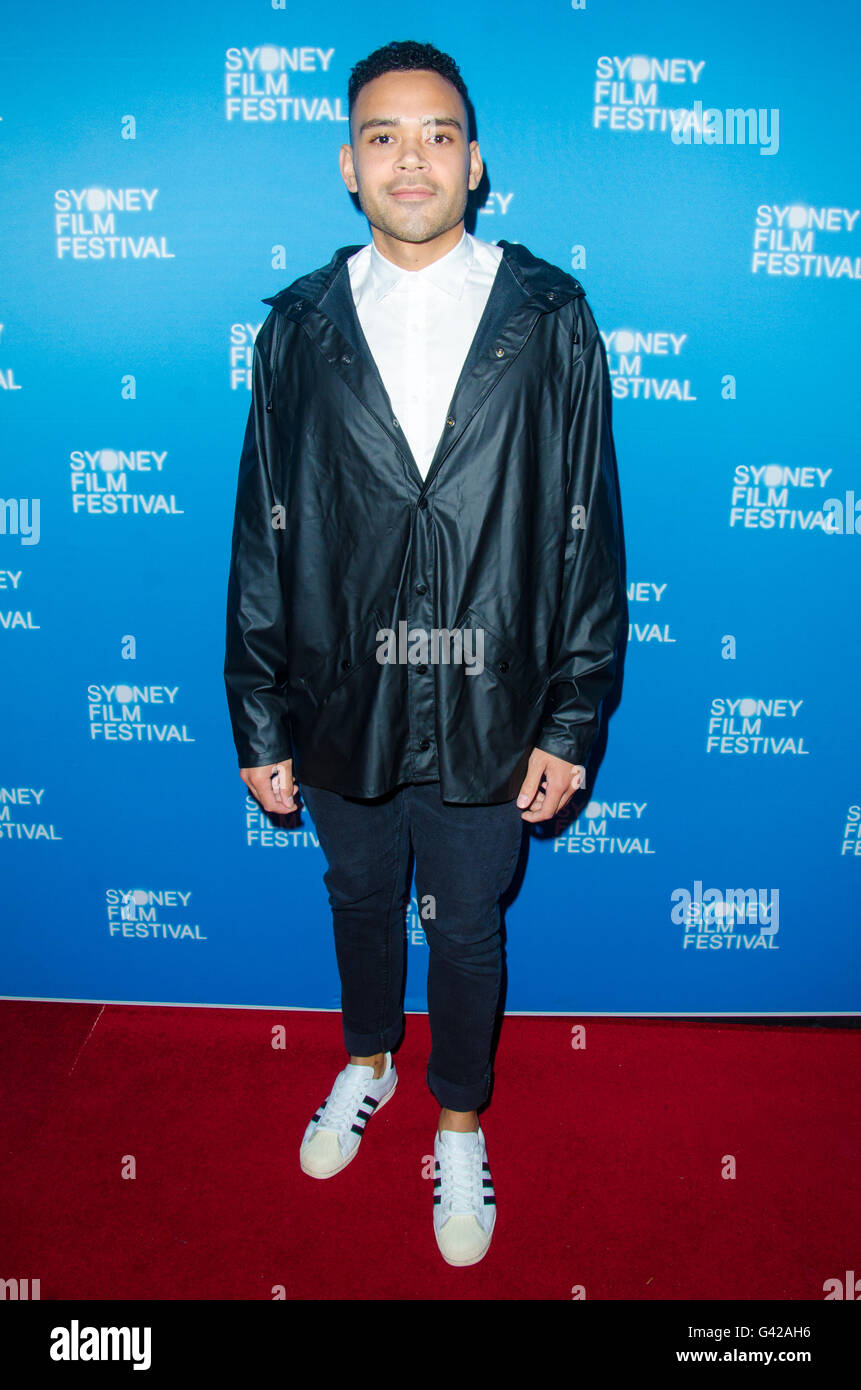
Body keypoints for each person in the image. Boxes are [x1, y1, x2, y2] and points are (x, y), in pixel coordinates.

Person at [224, 39, 625, 1267]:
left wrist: (572, 715)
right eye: (386, 135)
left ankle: (458, 1120)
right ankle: (365, 1060)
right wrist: (258, 713)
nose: (413, 156)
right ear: (350, 162)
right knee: (356, 897)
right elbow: (261, 525)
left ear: (476, 162)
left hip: (490, 696)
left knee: (463, 926)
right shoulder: (298, 325)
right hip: (337, 693)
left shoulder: (549, 317)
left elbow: (588, 528)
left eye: (438, 134)